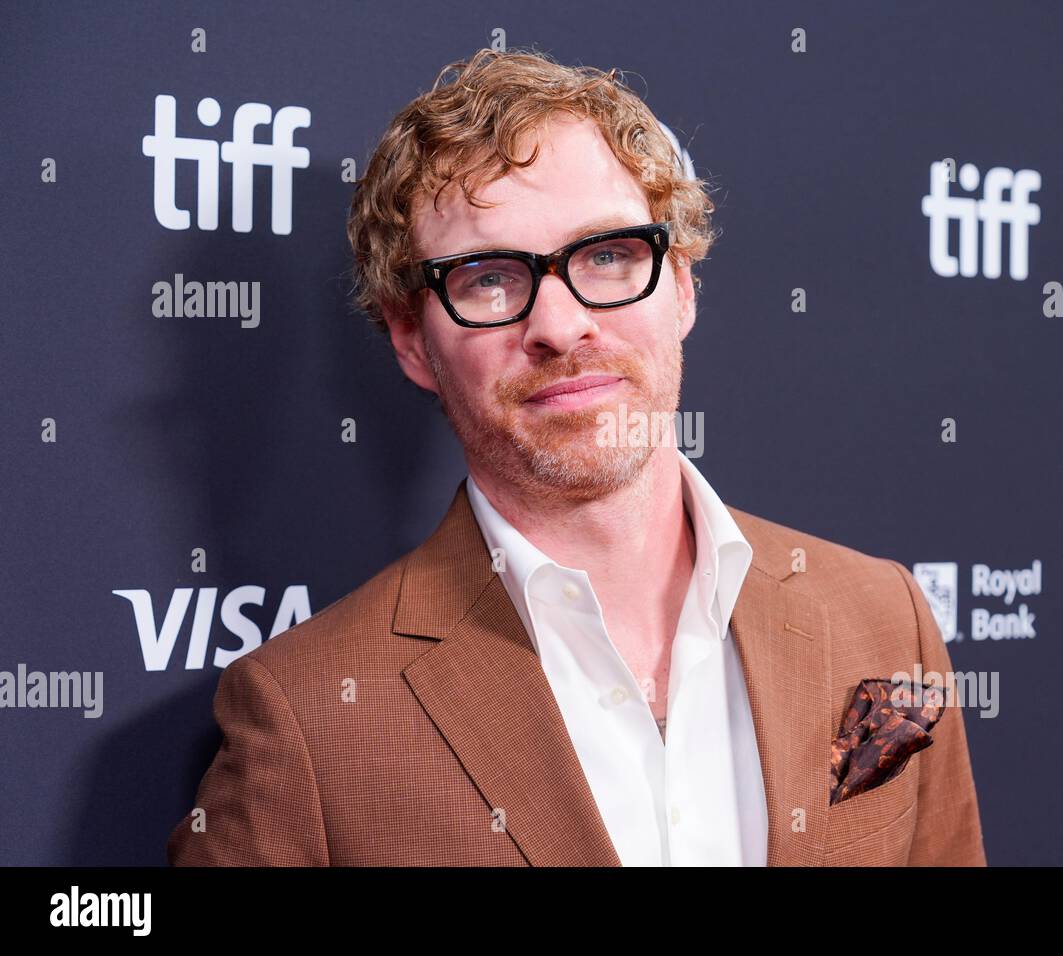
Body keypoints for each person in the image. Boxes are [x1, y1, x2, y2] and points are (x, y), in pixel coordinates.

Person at [167, 47, 986, 867]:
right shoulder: (307, 721)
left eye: (606, 256)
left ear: (683, 286)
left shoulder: (884, 617)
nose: (560, 326)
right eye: (488, 278)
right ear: (413, 340)